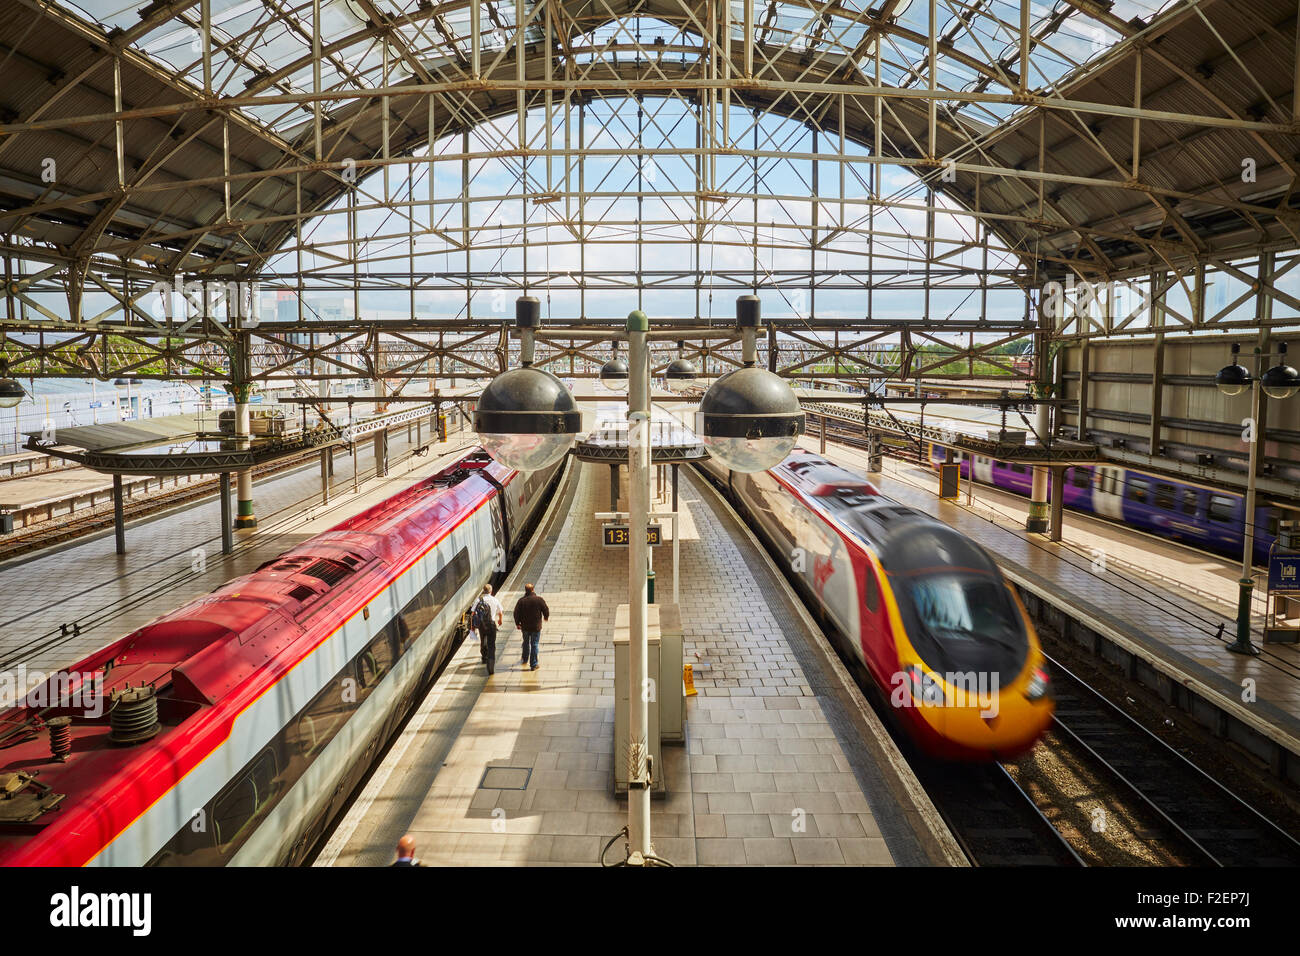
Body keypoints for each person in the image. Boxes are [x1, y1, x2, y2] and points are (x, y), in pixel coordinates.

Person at [512, 582, 550, 671]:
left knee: (525, 642)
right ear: (533, 589)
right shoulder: (539, 599)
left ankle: (525, 659)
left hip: (525, 627)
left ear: (525, 590)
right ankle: (533, 664)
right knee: (534, 644)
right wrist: (546, 617)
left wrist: (517, 623)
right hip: (536, 627)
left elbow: (516, 613)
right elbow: (545, 609)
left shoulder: (521, 601)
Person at [471, 584, 503, 675]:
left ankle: (484, 657)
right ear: (491, 591)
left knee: (483, 639)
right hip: (491, 624)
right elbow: (500, 612)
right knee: (491, 645)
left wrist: (473, 627)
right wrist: (500, 620)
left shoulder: (478, 600)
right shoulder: (494, 600)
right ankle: (491, 666)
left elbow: (473, 613)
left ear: (483, 591)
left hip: (481, 624)